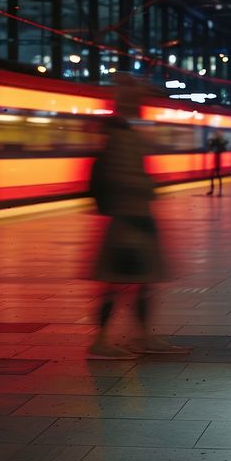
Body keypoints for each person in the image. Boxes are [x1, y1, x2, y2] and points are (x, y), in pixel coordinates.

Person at [86, 75, 188, 359]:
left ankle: (142, 336)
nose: (141, 104)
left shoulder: (123, 133)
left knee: (140, 282)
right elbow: (123, 177)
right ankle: (102, 342)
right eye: (136, 99)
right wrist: (149, 186)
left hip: (133, 218)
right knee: (119, 283)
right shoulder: (121, 136)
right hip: (129, 221)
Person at [207, 131, 228, 196]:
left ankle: (218, 191)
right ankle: (214, 191)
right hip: (215, 161)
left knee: (217, 176)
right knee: (213, 176)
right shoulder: (217, 141)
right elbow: (210, 146)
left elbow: (224, 147)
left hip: (218, 161)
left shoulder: (220, 142)